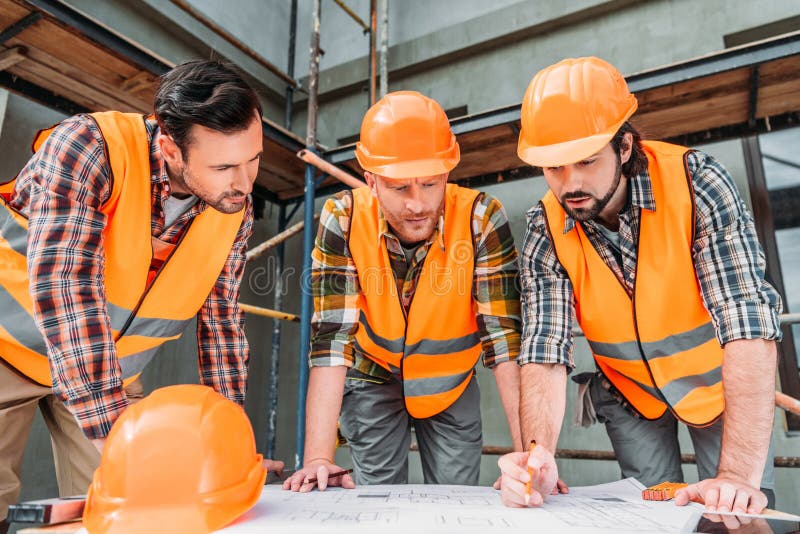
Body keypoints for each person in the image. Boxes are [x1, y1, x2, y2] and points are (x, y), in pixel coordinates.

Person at [0, 59, 283, 532]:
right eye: (225, 166)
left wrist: (230, 444)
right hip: (9, 350)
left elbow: (222, 325)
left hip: (111, 369)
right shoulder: (89, 149)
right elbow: (68, 291)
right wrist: (126, 442)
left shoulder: (235, 207)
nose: (244, 182)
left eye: (253, 159)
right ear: (172, 147)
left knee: (130, 512)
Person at [499, 56, 780, 515]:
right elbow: (543, 349)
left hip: (720, 389)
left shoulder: (697, 183)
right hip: (630, 396)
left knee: (735, 510)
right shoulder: (544, 227)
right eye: (553, 168)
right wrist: (538, 454)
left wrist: (735, 474)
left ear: (624, 146)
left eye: (586, 161)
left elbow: (747, 321)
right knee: (650, 515)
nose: (569, 185)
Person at [284, 91, 522, 491]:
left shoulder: (481, 218)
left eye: (430, 184)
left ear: (447, 172)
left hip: (451, 384)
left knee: (455, 500)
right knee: (379, 500)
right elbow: (331, 340)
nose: (417, 204)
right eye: (399, 188)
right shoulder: (342, 219)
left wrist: (528, 453)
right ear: (371, 180)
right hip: (373, 374)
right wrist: (318, 459)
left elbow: (504, 340)